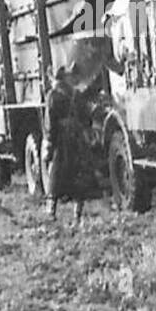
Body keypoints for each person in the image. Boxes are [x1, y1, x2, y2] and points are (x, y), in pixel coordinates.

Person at [41, 64, 98, 221]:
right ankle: (77, 214)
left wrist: (48, 144)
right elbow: (86, 117)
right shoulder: (75, 94)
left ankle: (51, 211)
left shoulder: (52, 96)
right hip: (76, 138)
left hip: (61, 139)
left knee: (56, 174)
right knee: (78, 175)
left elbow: (49, 123)